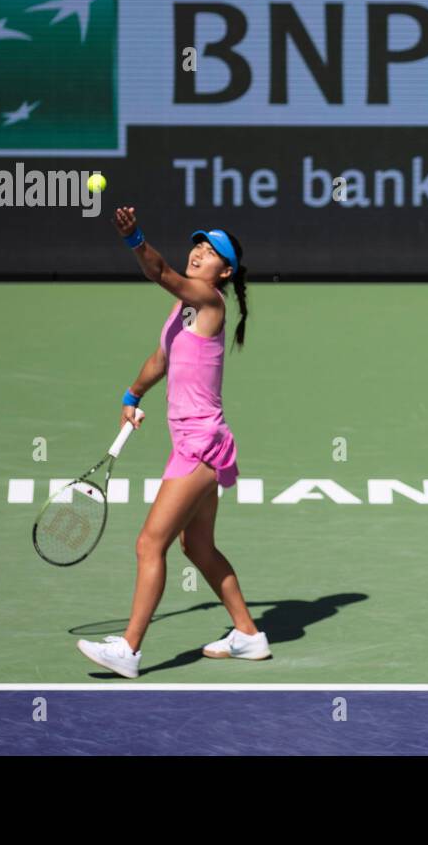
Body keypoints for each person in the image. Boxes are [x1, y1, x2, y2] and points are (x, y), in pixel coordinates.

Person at [77, 207, 269, 678]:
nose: (199, 251)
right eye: (198, 245)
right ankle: (248, 634)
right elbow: (161, 357)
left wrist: (135, 239)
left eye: (211, 252)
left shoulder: (208, 301)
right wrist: (132, 393)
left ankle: (129, 649)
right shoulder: (183, 308)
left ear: (224, 272)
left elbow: (159, 269)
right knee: (198, 547)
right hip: (197, 441)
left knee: (149, 544)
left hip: (200, 445)